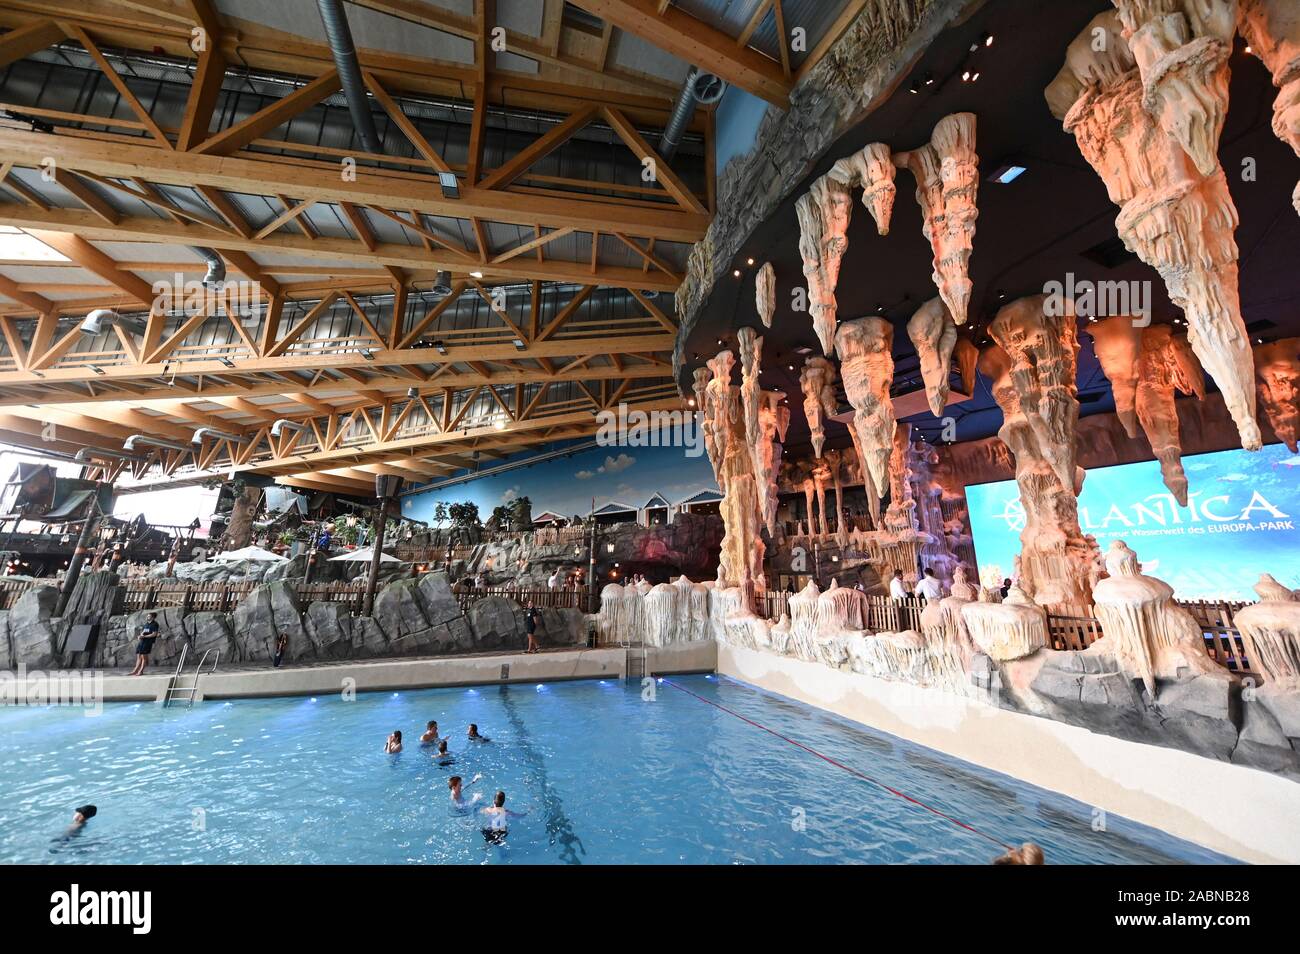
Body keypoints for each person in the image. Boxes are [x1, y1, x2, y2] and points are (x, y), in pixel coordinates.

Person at [129, 612, 160, 676]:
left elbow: (154, 634)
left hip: (148, 642)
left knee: (144, 657)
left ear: (153, 617)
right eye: (147, 616)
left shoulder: (155, 624)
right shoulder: (146, 624)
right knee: (138, 655)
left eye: (149, 616)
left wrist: (144, 637)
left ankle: (141, 671)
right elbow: (143, 632)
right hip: (142, 641)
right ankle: (135, 670)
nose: (147, 617)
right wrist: (140, 636)